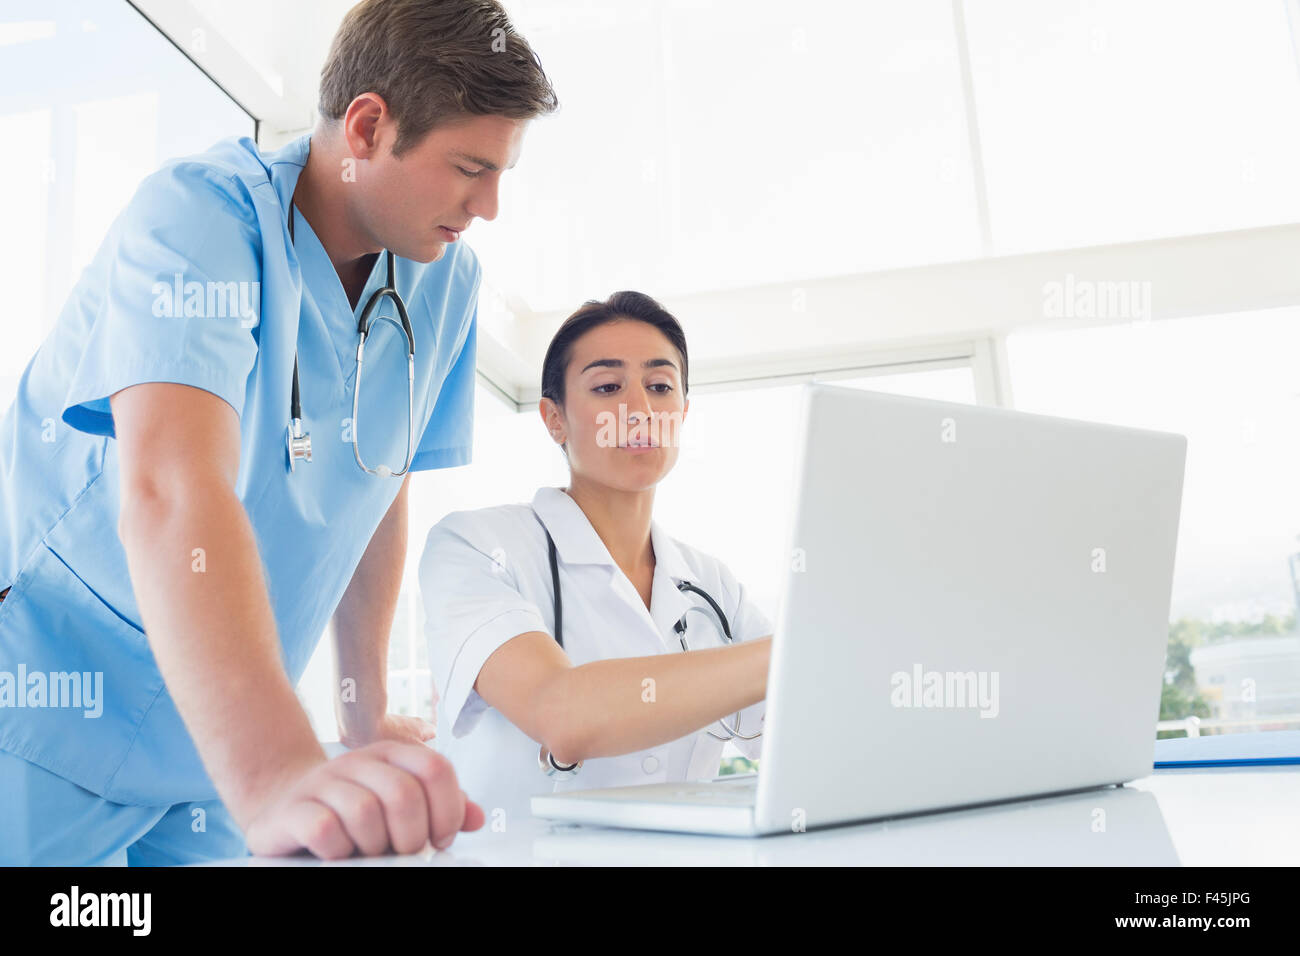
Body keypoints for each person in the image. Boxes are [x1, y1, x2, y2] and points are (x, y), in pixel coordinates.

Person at [0, 0, 557, 865]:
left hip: (215, 754)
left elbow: (378, 483)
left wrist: (361, 709)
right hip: (48, 716)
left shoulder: (444, 282)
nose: (487, 205)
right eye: (469, 167)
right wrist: (275, 773)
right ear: (368, 126)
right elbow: (172, 485)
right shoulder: (198, 218)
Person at [419, 291, 773, 821]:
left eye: (659, 387)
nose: (639, 410)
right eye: (608, 387)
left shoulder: (711, 586)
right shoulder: (474, 545)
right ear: (554, 419)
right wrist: (794, 654)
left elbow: (806, 728)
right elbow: (561, 714)